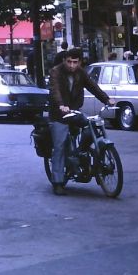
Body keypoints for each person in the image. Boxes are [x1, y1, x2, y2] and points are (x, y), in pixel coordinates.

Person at [48, 48, 115, 196]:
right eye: (69, 62)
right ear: (64, 60)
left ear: (80, 62)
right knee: (59, 146)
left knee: (92, 126)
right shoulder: (56, 72)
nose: (72, 65)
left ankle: (81, 151)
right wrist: (61, 105)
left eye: (75, 62)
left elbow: (93, 86)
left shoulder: (81, 72)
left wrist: (106, 99)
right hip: (59, 114)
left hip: (74, 111)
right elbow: (55, 90)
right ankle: (58, 182)